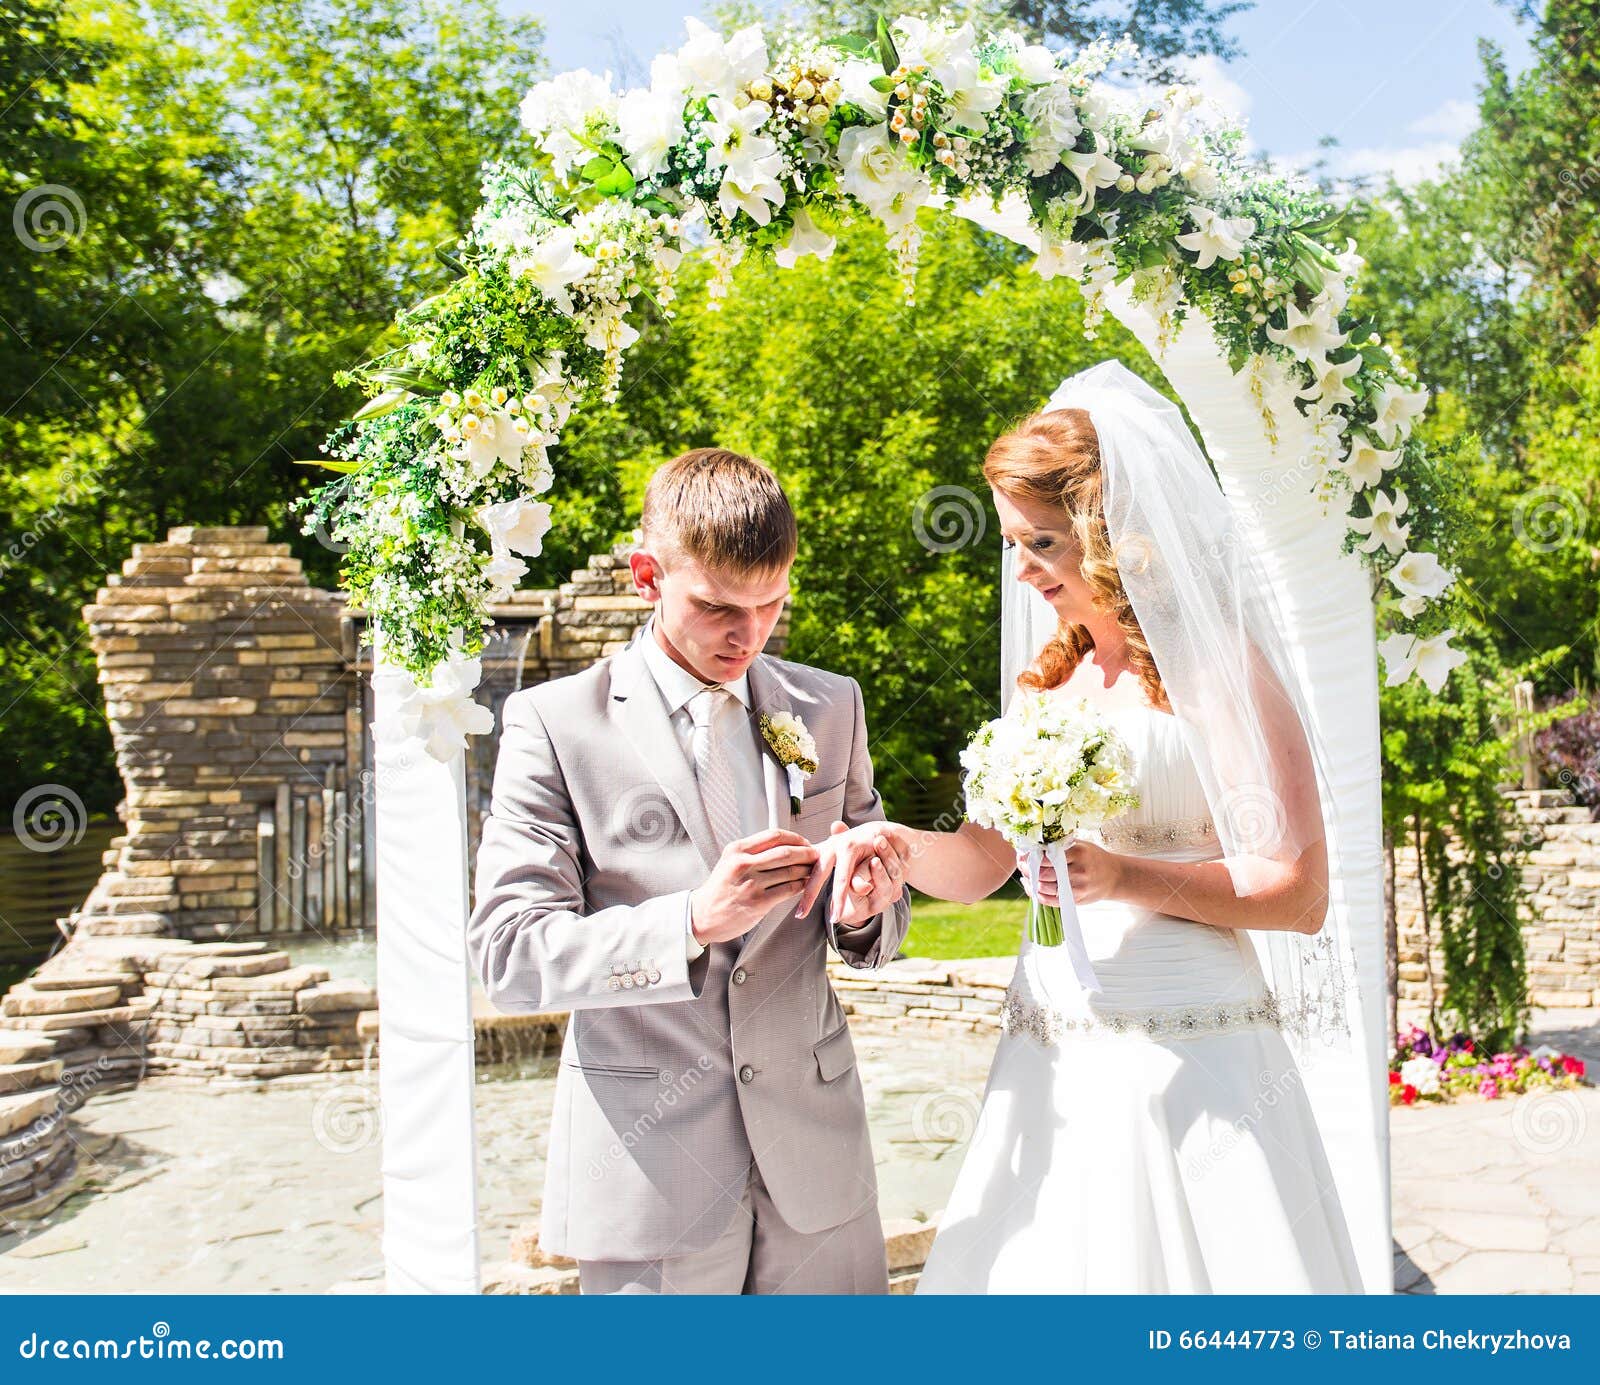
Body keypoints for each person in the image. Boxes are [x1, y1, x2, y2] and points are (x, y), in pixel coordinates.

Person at [802, 362, 1366, 1293]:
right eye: (1013, 542)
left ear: (1114, 537)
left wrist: (1126, 878)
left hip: (1194, 1046)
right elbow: (986, 861)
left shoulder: (1222, 673)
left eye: (1042, 544)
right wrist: (899, 848)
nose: (1020, 569)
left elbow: (1301, 895)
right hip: (1054, 1049)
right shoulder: (1048, 678)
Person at [467, 446, 910, 1294]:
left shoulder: (831, 704)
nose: (749, 636)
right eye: (716, 608)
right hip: (648, 1174)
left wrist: (863, 908)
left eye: (771, 605)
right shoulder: (552, 725)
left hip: (817, 1168)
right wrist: (690, 923)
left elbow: (877, 927)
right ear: (646, 576)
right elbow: (510, 957)